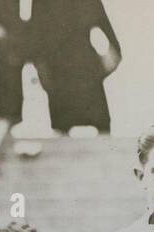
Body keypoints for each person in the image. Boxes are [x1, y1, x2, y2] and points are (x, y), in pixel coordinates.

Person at [25, 0, 121, 134]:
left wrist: (42, 70)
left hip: (71, 72)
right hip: (72, 72)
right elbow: (35, 38)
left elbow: (34, 39)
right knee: (72, 131)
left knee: (98, 129)